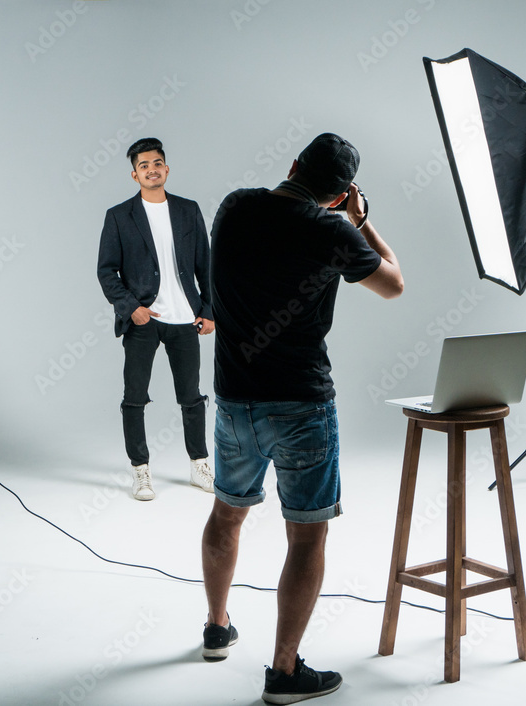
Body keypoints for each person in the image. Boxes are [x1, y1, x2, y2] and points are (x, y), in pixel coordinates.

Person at [200, 133, 403, 703]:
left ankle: (216, 627)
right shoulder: (333, 229)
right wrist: (360, 220)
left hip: (235, 401)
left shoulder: (235, 206)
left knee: (226, 515)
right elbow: (394, 284)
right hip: (302, 405)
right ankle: (284, 673)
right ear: (341, 194)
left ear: (293, 165)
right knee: (307, 536)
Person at [97, 137, 216, 501]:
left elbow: (206, 266)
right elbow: (106, 271)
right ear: (135, 175)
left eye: (157, 163)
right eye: (144, 165)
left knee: (191, 397)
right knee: (134, 397)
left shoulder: (188, 210)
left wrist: (209, 310)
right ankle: (140, 470)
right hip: (143, 320)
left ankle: (199, 465)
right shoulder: (119, 216)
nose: (152, 169)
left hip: (185, 318)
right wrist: (130, 306)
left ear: (167, 168)